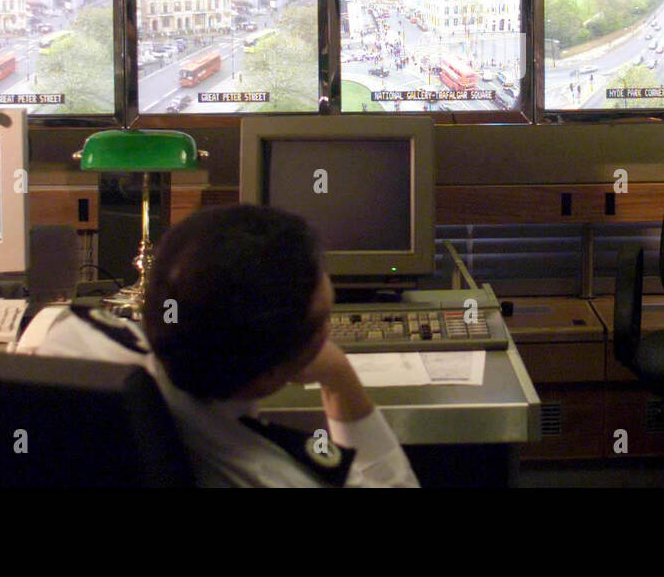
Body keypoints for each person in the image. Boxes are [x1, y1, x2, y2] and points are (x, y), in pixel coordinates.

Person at [39, 204, 419, 488]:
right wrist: (339, 376)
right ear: (268, 379)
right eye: (321, 322)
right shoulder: (274, 476)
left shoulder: (67, 336)